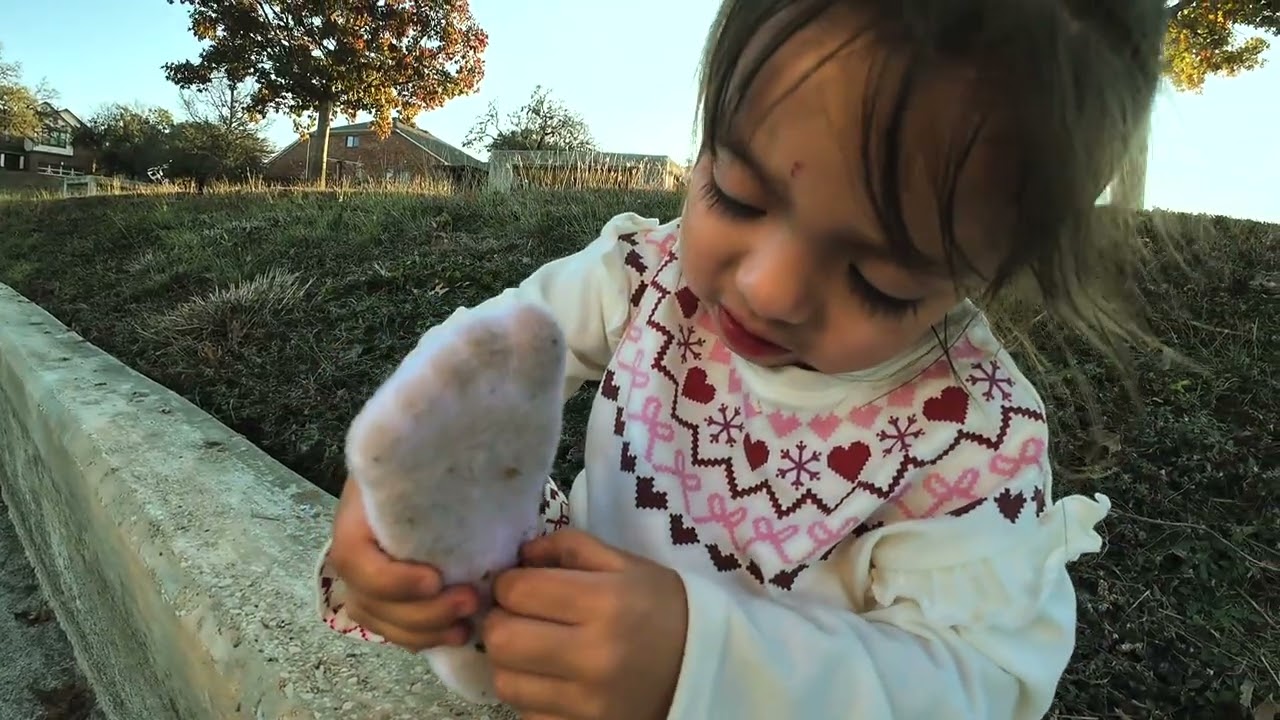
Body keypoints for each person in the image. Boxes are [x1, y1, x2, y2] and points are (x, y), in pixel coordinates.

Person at [313, 0, 1170, 717]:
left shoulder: (968, 440)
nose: (768, 287)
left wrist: (705, 660)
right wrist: (400, 501)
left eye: (878, 276)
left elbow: (979, 685)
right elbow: (485, 365)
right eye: (738, 193)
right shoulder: (644, 274)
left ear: (999, 263)